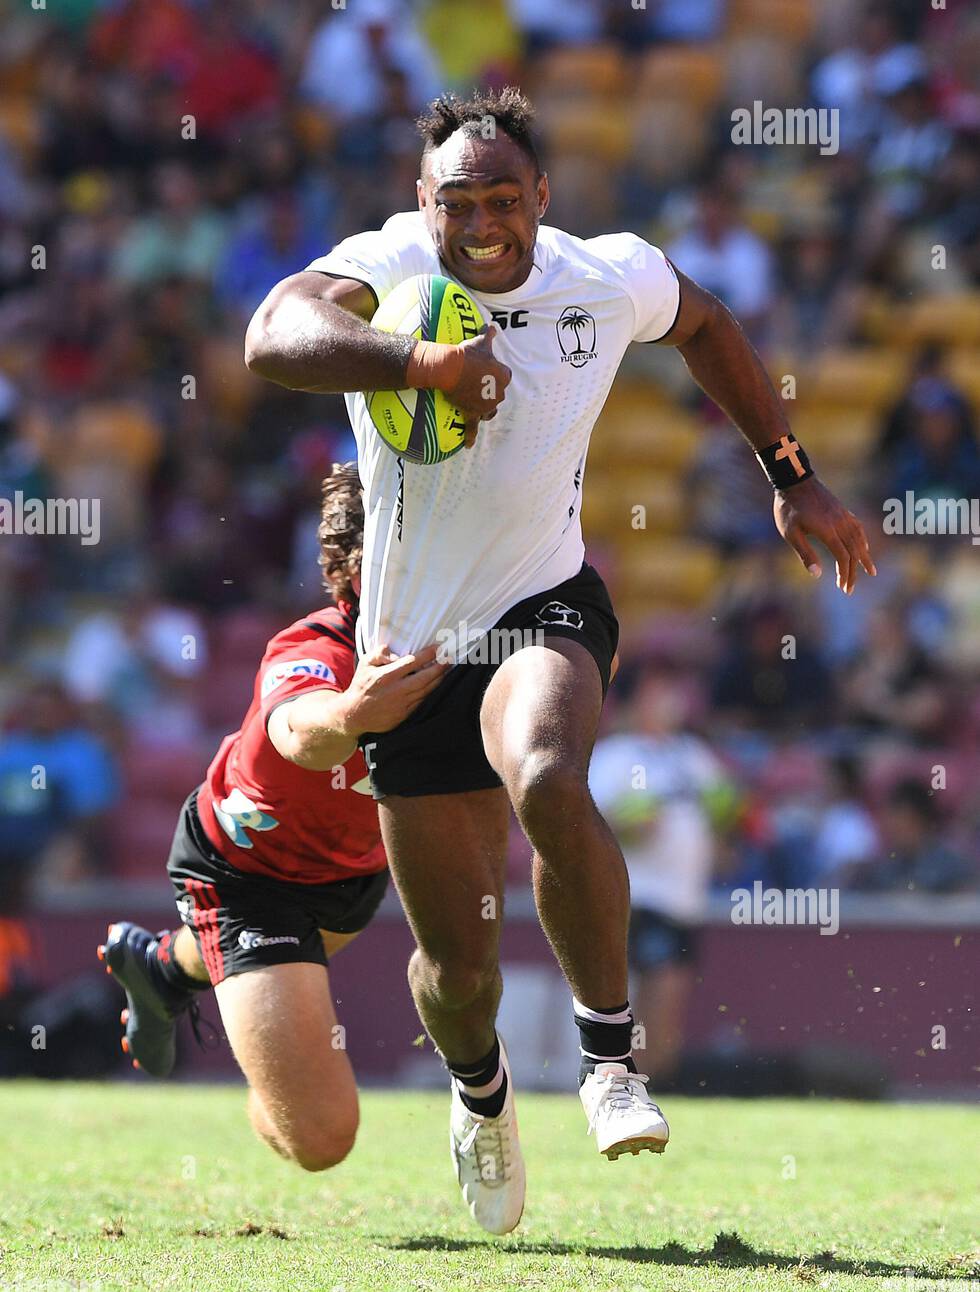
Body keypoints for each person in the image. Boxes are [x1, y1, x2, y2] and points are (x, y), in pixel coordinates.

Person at [244, 88, 875, 1234]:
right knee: (457, 967)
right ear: (419, 201)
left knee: (544, 771)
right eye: (456, 202)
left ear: (542, 194)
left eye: (503, 198)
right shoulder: (388, 265)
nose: (482, 223)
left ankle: (607, 1060)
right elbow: (271, 339)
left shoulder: (604, 273)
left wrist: (790, 474)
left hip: (545, 603)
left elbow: (706, 326)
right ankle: (480, 1094)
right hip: (410, 646)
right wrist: (416, 364)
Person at [99, 470, 444, 1172]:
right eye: (407, 550)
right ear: (351, 569)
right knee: (321, 1140)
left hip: (353, 875)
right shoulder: (315, 646)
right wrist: (355, 713)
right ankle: (245, 1023)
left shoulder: (464, 637)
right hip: (246, 871)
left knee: (286, 1030)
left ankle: (164, 967)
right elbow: (296, 730)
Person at [589, 665, 734, 1087]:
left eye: (671, 691)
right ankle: (628, 1087)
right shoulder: (617, 755)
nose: (668, 703)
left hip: (685, 900)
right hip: (639, 897)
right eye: (656, 693)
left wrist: (725, 832)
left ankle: (655, 1087)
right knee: (648, 997)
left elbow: (727, 811)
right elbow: (593, 824)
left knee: (672, 1002)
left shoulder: (692, 755)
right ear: (633, 705)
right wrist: (630, 825)